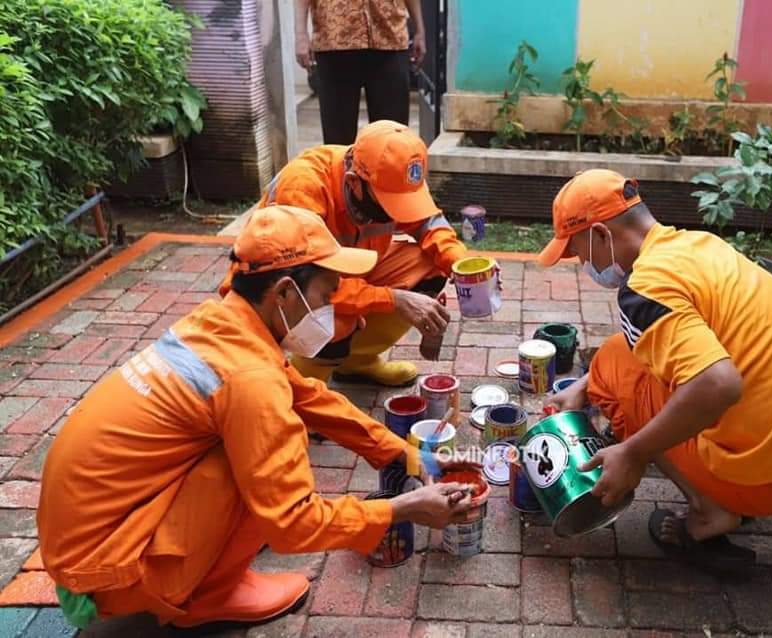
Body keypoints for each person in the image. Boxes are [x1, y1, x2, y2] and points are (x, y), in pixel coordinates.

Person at [38, 206, 475, 631]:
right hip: (103, 576)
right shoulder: (250, 379)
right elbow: (294, 524)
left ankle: (201, 570)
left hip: (82, 546)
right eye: (327, 295)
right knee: (271, 453)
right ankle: (209, 597)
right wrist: (401, 509)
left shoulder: (223, 324)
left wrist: (406, 457)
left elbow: (311, 397)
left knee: (264, 441)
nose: (332, 308)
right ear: (285, 292)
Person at [541, 169, 772, 570]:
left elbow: (718, 384)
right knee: (617, 355)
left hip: (766, 479)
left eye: (581, 254)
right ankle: (729, 485)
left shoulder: (644, 288)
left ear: (601, 235)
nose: (584, 265)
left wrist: (634, 453)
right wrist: (584, 385)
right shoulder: (697, 245)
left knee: (614, 374)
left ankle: (708, 511)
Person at [226, 120, 467, 387]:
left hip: (347, 270)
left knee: (429, 264)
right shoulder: (303, 188)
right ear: (354, 183)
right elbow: (304, 287)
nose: (399, 213)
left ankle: (356, 364)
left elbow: (429, 223)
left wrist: (463, 265)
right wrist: (393, 299)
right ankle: (300, 388)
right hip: (292, 291)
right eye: (390, 203)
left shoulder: (388, 174)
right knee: (336, 321)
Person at [294, 0, 426, 144]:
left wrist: (420, 29)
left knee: (392, 140)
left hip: (389, 36)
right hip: (335, 40)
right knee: (338, 142)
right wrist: (301, 34)